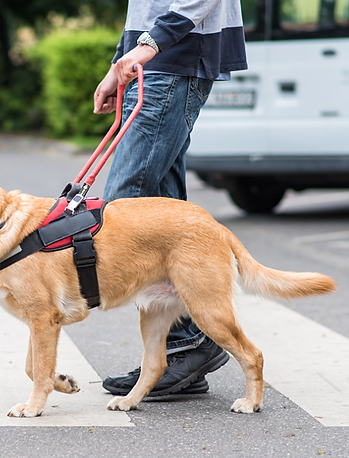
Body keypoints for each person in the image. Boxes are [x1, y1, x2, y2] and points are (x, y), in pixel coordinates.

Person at [92, 0, 248, 397]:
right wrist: (120, 64)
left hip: (170, 59)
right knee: (164, 207)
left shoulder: (160, 50)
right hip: (157, 61)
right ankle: (186, 347)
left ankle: (190, 345)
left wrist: (147, 48)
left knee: (122, 210)